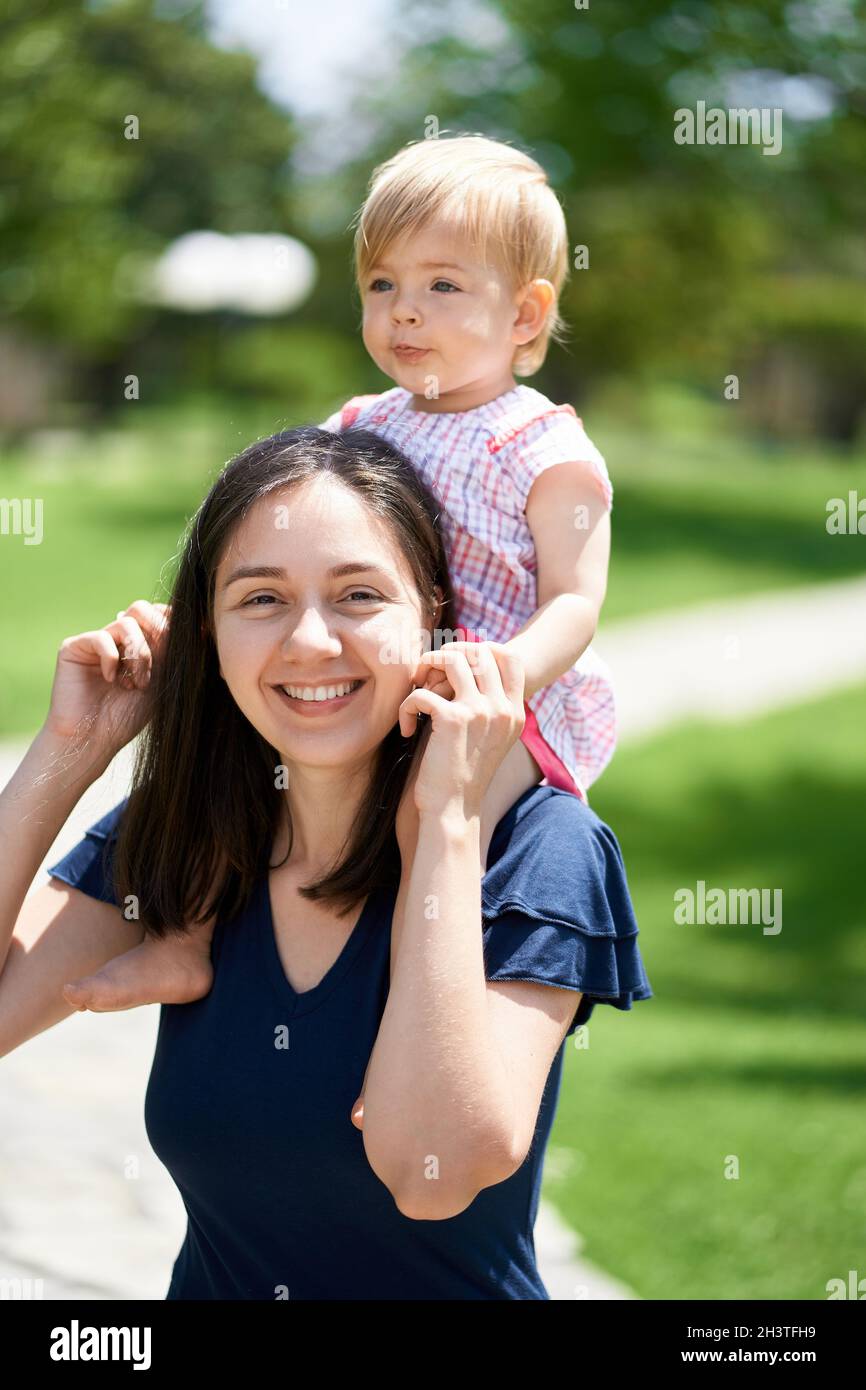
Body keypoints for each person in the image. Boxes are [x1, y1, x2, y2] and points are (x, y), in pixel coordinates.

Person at [0, 428, 652, 1300]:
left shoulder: (538, 847)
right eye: (261, 599)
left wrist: (446, 822)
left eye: (358, 595)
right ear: (209, 631)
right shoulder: (192, 835)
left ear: (434, 614)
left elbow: (431, 1173)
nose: (310, 642)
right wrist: (68, 751)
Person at [59, 131, 620, 1013]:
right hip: (383, 665)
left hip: (495, 700)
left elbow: (576, 602)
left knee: (425, 821)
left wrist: (508, 671)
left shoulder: (544, 448)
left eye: (442, 285)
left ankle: (404, 1017)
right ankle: (181, 940)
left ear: (524, 314)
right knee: (228, 759)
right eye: (381, 285)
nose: (403, 310)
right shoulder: (364, 420)